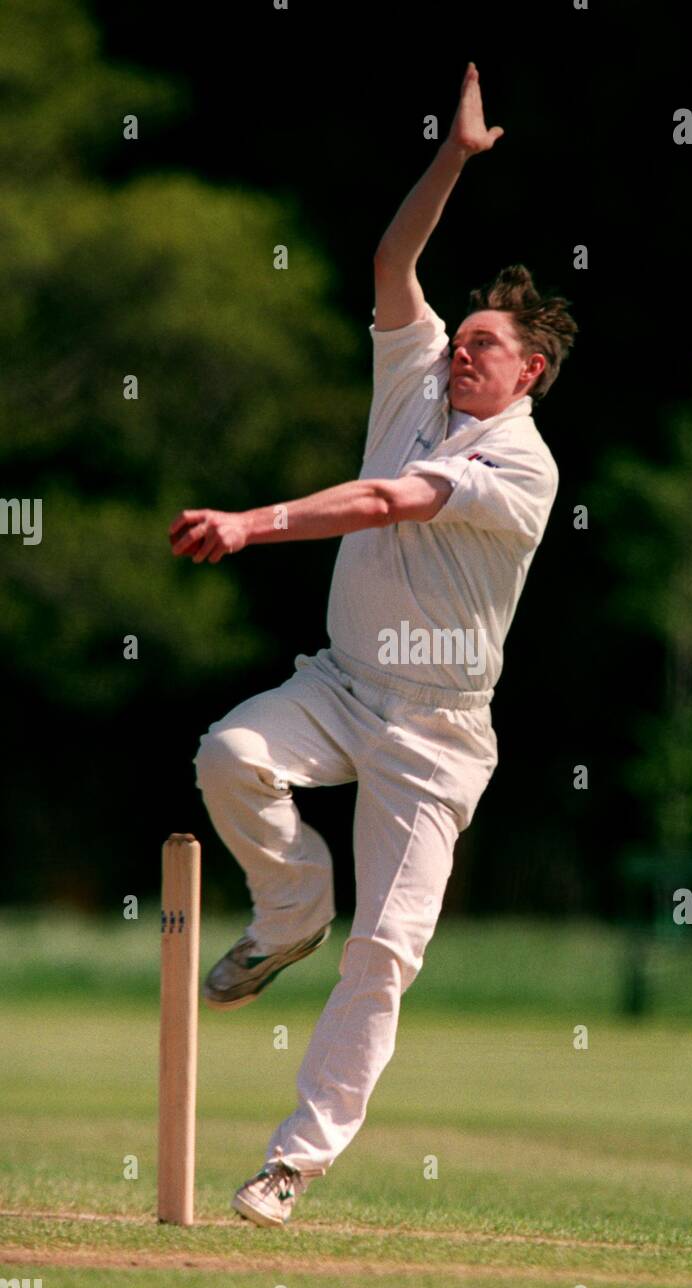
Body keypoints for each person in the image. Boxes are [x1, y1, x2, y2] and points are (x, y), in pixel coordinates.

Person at [168, 61, 577, 1227]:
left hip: (437, 735)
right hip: (343, 683)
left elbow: (393, 502)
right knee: (228, 755)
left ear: (526, 373)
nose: (462, 352)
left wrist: (255, 522)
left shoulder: (521, 465)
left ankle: (291, 1164)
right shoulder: (416, 370)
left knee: (385, 956)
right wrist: (452, 158)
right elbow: (396, 264)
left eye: (484, 346)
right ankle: (290, 905)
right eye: (463, 338)